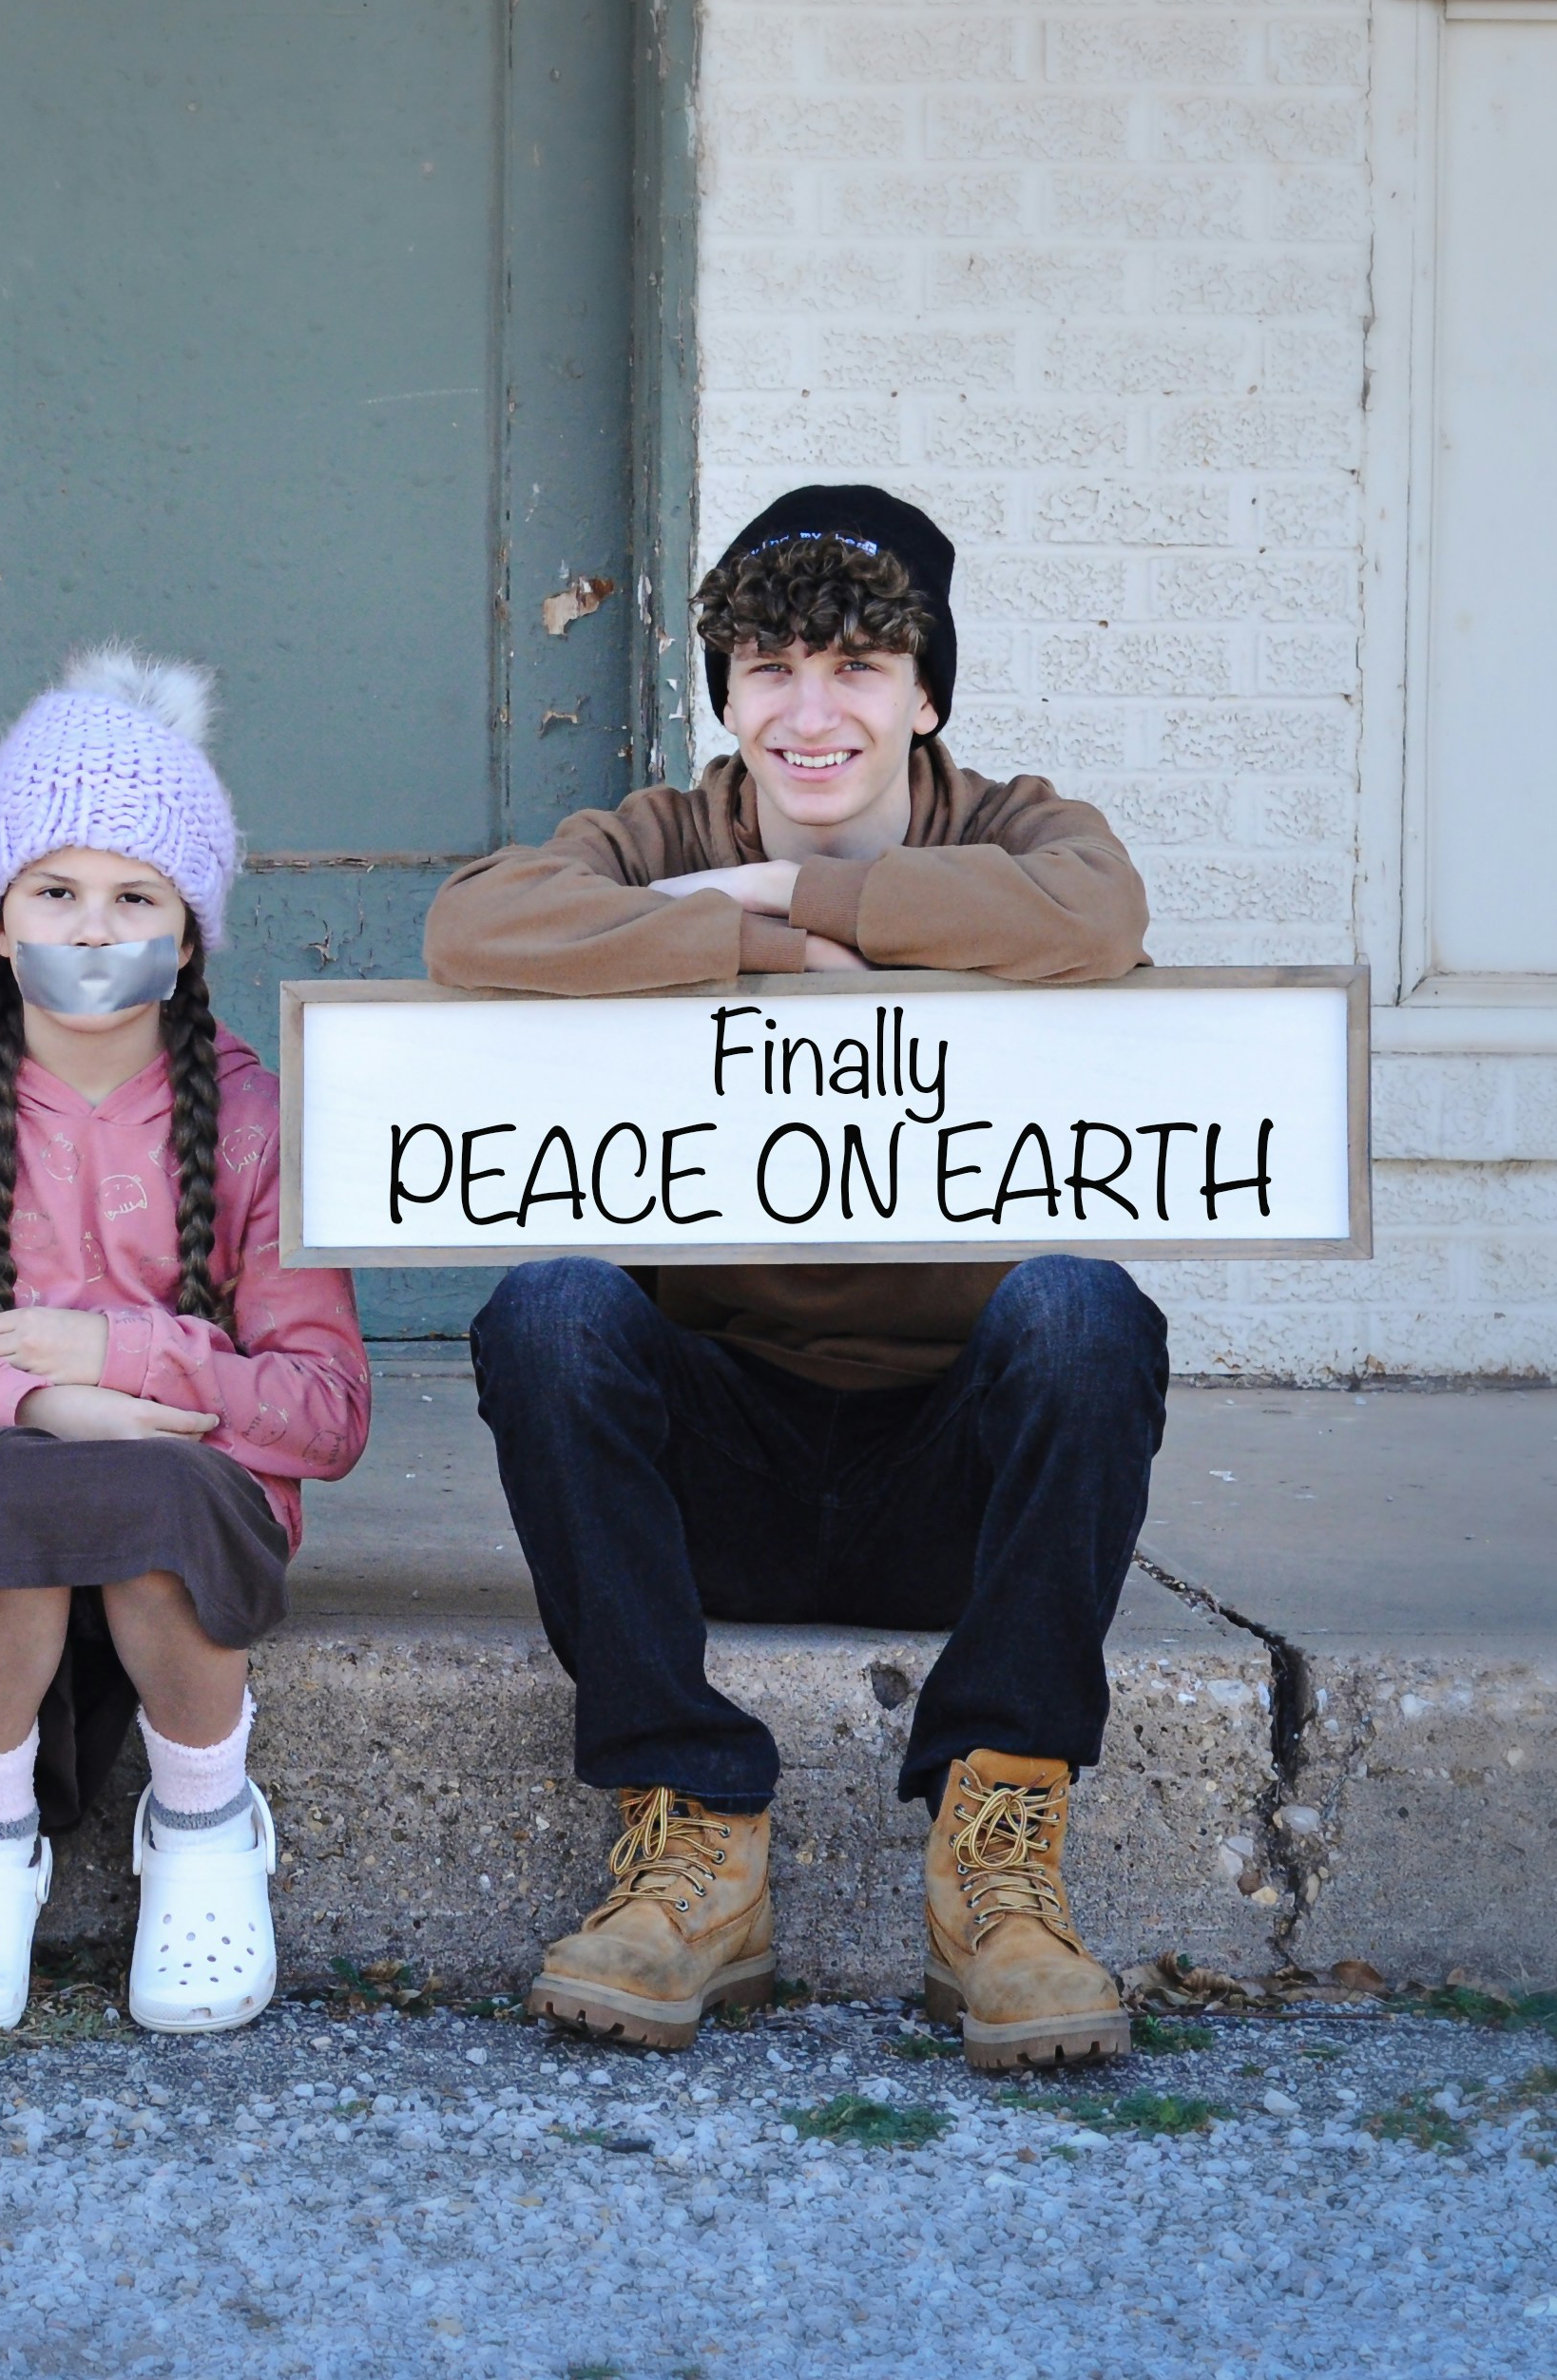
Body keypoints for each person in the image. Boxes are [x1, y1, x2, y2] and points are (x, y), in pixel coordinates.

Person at [424, 486, 1164, 2071]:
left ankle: (999, 1868)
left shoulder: (1016, 827)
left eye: (859, 670)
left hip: (949, 1474)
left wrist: (792, 893)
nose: (811, 714)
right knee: (548, 1307)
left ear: (928, 696)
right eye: (769, 669)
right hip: (721, 1471)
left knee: (1087, 1310)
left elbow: (1097, 917)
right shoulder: (661, 836)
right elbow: (479, 924)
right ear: (728, 696)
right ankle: (692, 1835)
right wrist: (756, 945)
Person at [0, 648, 369, 2037]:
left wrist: (117, 1360)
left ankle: (208, 1824)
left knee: (159, 1489)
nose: (95, 928)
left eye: (135, 897)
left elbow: (329, 1409)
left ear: (190, 931)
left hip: (190, 1503)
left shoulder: (253, 1117)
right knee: (9, 1488)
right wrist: (29, 1402)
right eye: (56, 891)